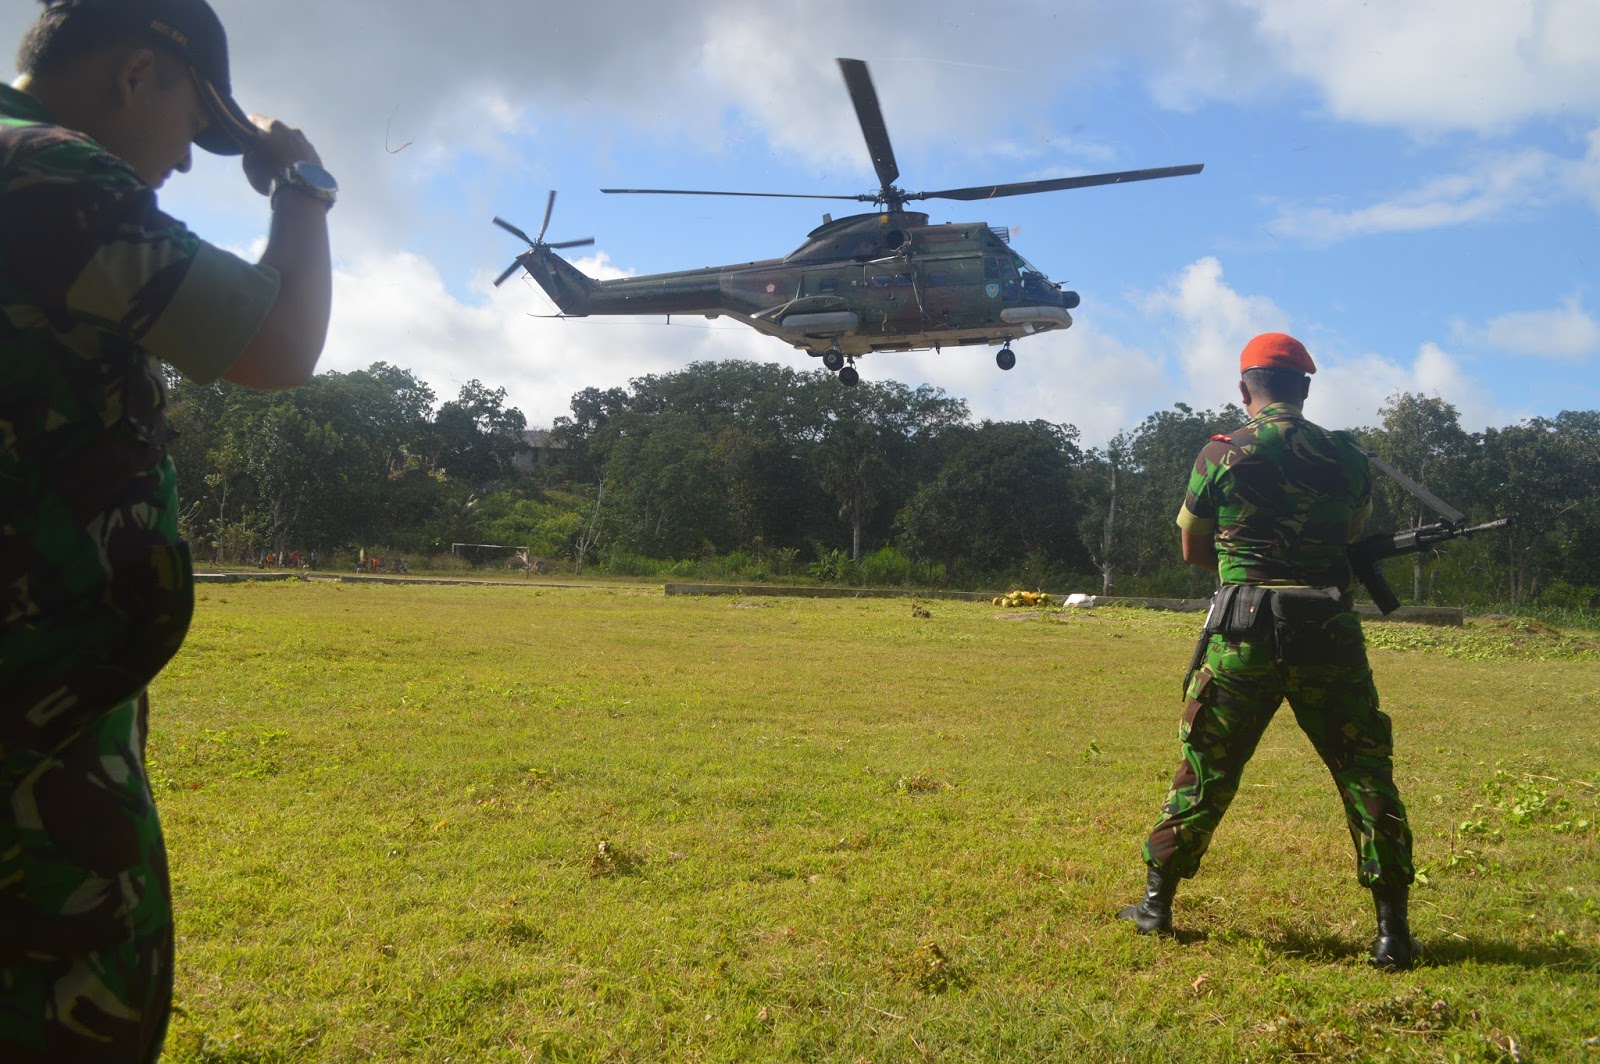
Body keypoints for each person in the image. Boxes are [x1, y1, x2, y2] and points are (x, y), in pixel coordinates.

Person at [0, 0, 336, 1058]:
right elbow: (279, 343)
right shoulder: (50, 177)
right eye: (195, 130)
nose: (189, 166)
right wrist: (304, 191)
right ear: (136, 75)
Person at [1117, 333, 1419, 971]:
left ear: (1244, 389)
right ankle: (1393, 932)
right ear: (1305, 389)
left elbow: (1193, 548)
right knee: (1365, 769)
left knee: (1207, 766)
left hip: (1243, 631)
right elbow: (1348, 537)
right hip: (1327, 631)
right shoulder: (1349, 457)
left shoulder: (1221, 453)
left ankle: (1156, 905)